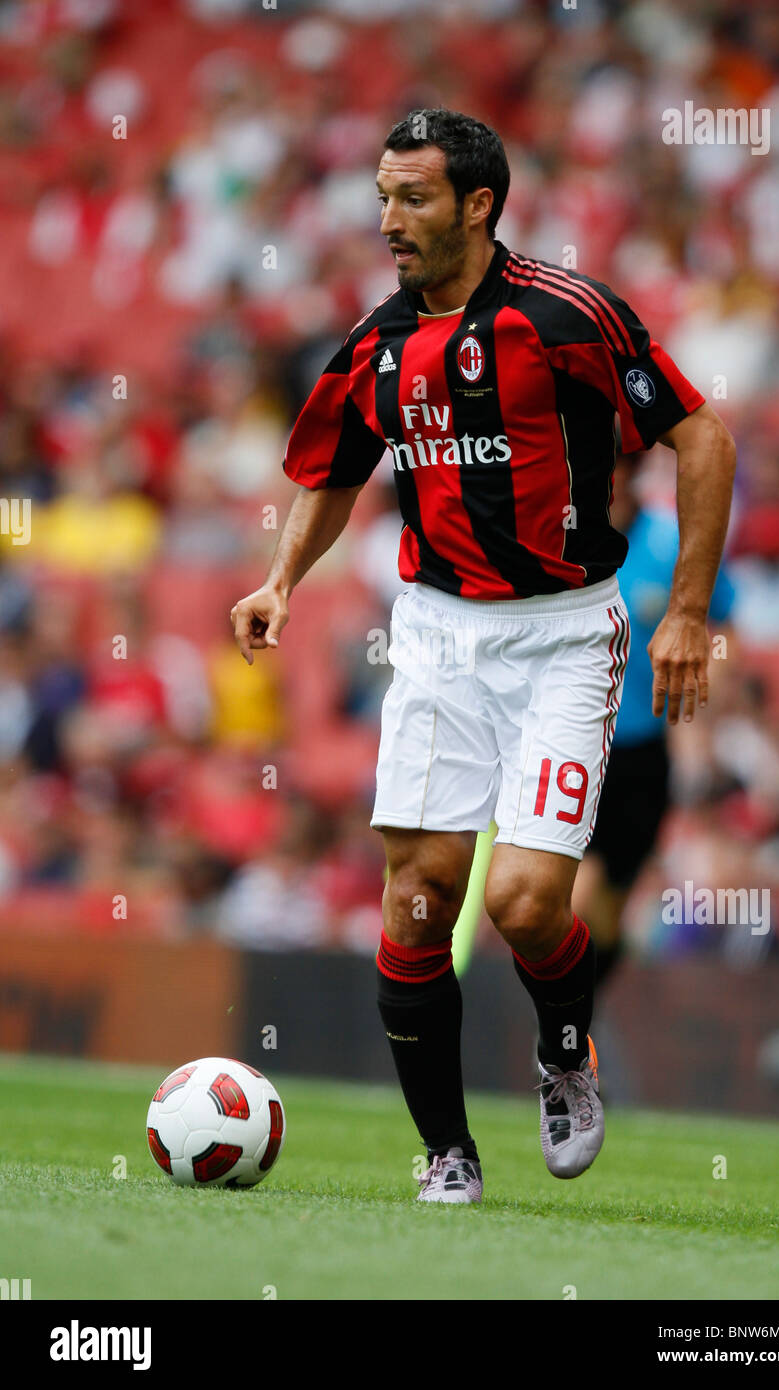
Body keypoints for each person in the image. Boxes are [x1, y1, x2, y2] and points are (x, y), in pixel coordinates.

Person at [230, 109, 736, 1204]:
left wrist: (685, 610)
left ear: (476, 204)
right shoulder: (376, 341)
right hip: (435, 634)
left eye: (411, 198)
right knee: (415, 899)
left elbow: (701, 435)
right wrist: (281, 580)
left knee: (520, 902)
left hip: (562, 633)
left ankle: (565, 1049)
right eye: (380, 196)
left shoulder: (564, 314)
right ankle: (446, 1153)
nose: (388, 221)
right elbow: (331, 470)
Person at [576, 454, 736, 990]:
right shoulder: (563, 540)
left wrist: (700, 713)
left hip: (642, 751)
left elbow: (725, 621)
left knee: (607, 911)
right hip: (573, 744)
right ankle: (565, 1021)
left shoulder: (670, 545)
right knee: (571, 896)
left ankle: (575, 1019)